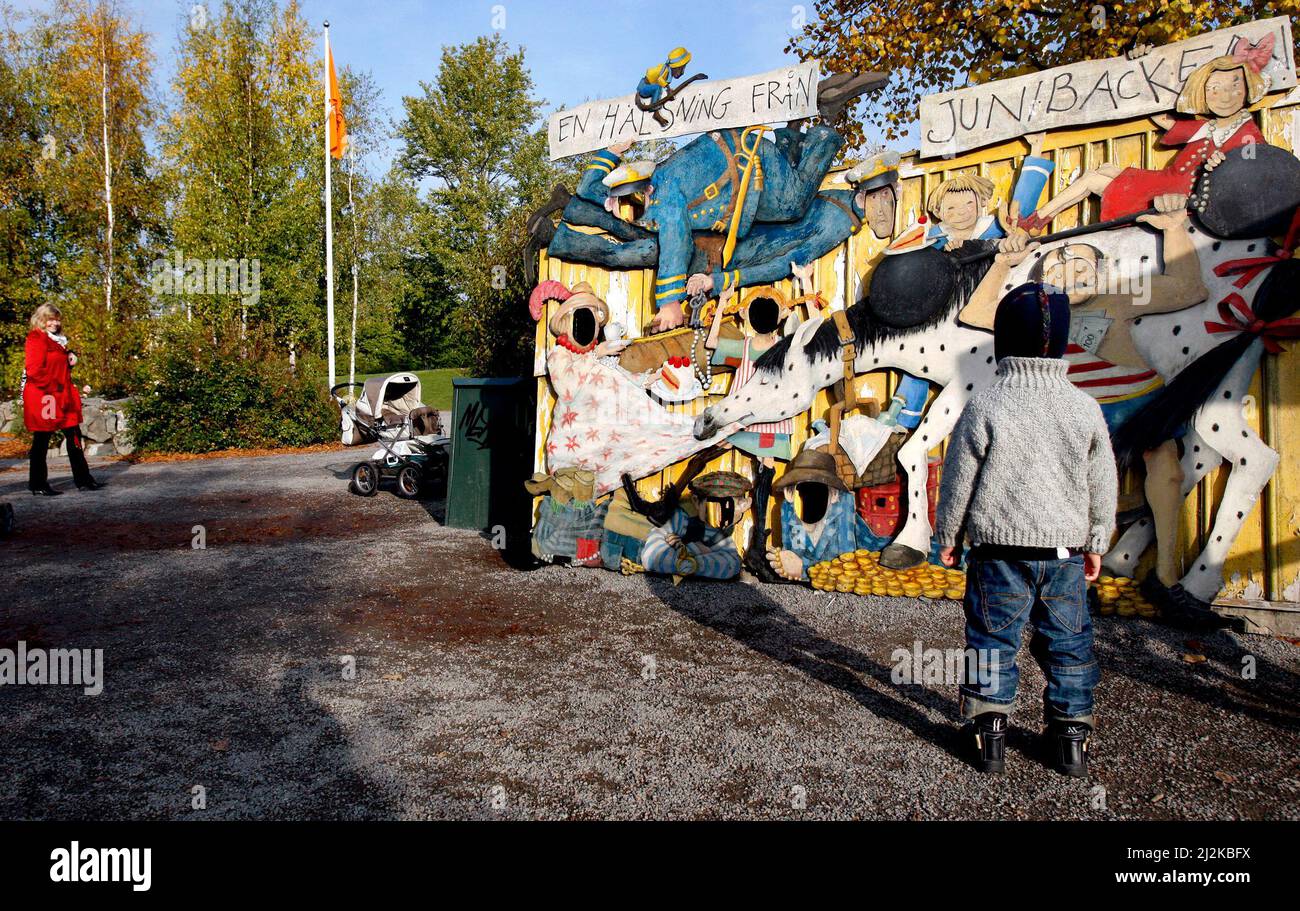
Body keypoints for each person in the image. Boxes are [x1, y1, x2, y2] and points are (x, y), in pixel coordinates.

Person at [936, 283, 1118, 778]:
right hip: (1062, 554)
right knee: (1069, 644)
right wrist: (1097, 541)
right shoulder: (1084, 408)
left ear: (1000, 341)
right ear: (1061, 344)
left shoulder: (987, 405)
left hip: (997, 552)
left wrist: (948, 536)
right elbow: (1103, 481)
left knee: (992, 639)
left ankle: (988, 734)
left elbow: (958, 480)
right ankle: (1070, 740)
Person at [1017, 36, 1272, 231]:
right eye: (1214, 88)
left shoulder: (1247, 134)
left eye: (1233, 86)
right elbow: (1161, 117)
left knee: (1092, 181)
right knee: (1103, 167)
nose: (1223, 96)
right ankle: (1037, 219)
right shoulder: (1209, 126)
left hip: (1180, 192)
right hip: (1167, 178)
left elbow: (1251, 171)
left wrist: (1225, 166)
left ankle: (1034, 222)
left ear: (1248, 86)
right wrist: (1143, 65)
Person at [22, 304, 103, 495]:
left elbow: (56, 363)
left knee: (74, 436)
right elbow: (34, 371)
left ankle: (84, 479)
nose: (54, 323)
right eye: (50, 319)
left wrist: (69, 354)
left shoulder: (58, 341)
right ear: (41, 319)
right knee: (42, 439)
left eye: (57, 319)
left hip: (63, 396)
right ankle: (38, 484)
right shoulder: (36, 338)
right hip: (46, 396)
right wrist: (55, 387)